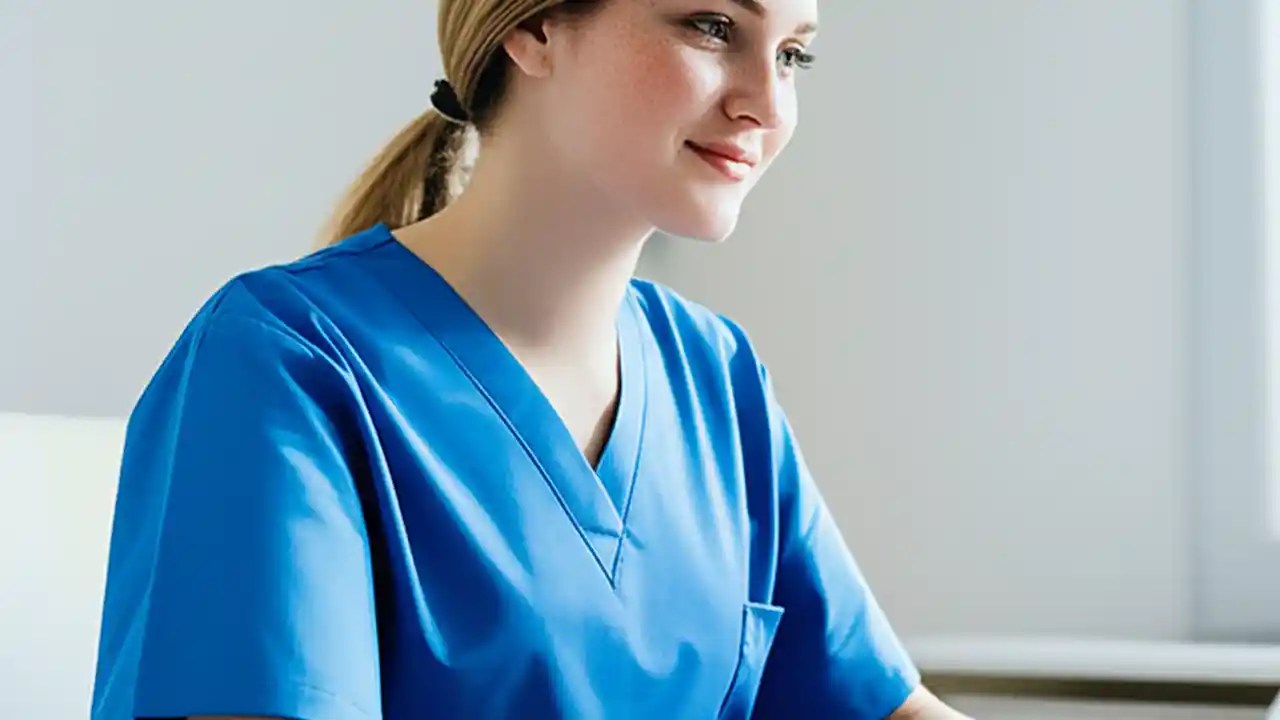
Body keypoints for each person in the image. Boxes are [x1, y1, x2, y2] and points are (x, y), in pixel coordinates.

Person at [90, 0, 970, 718]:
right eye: (711, 27)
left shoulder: (718, 378)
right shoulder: (285, 364)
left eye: (792, 57)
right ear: (536, 27)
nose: (767, 107)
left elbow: (882, 706)